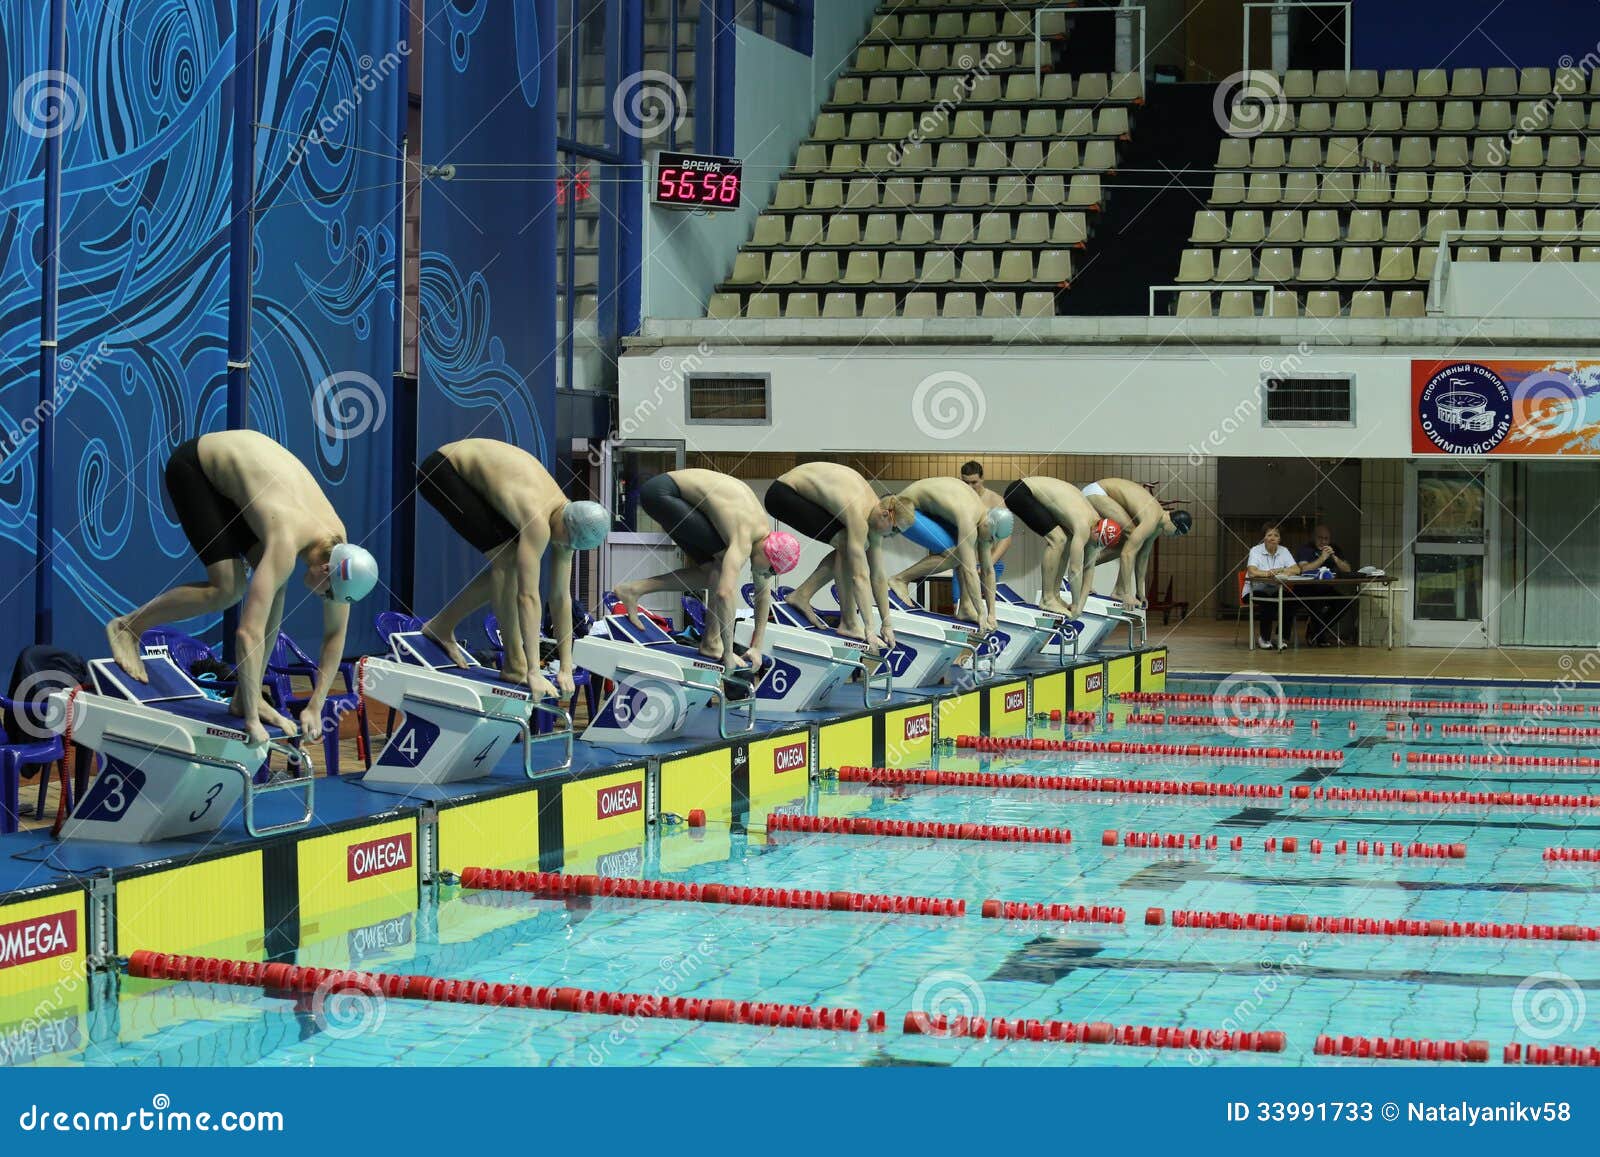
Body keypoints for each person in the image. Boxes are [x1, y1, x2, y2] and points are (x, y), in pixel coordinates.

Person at [106, 430, 380, 745]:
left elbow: (335, 636)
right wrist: (251, 720)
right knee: (228, 588)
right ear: (323, 569)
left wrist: (316, 706)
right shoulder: (287, 538)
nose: (324, 598)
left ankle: (243, 696)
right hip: (197, 468)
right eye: (327, 592)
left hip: (246, 482)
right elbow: (246, 633)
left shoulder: (338, 546)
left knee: (274, 586)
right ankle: (127, 626)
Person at [416, 438, 610, 701]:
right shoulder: (538, 519)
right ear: (565, 525)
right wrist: (533, 671)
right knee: (507, 562)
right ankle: (514, 665)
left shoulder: (567, 520)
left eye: (571, 546)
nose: (564, 547)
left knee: (507, 561)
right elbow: (527, 597)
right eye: (566, 541)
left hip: (473, 473)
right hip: (443, 470)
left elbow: (560, 598)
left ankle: (441, 626)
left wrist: (566, 665)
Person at [615, 469, 802, 674]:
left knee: (711, 572)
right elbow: (724, 593)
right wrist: (729, 654)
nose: (767, 575)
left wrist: (757, 647)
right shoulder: (744, 537)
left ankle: (633, 590)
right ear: (768, 554)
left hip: (667, 494)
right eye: (770, 570)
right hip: (662, 493)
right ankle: (713, 644)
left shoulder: (763, 539)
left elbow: (763, 594)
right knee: (721, 568)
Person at [764, 462, 915, 650]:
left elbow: (877, 576)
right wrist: (869, 628)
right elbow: (859, 576)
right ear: (885, 515)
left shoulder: (876, 514)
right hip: (783, 494)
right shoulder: (859, 514)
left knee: (852, 543)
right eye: (894, 531)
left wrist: (887, 624)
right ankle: (850, 623)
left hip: (802, 492)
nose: (892, 537)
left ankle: (801, 596)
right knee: (845, 542)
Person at [891, 475, 1014, 632]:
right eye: (990, 538)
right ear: (987, 524)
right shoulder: (969, 517)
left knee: (962, 551)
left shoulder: (984, 522)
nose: (990, 543)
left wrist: (992, 615)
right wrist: (982, 614)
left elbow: (988, 570)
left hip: (929, 511)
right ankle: (899, 579)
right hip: (904, 509)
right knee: (956, 555)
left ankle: (965, 607)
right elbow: (970, 570)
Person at [1002, 477, 1125, 617]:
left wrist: (1079, 606)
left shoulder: (1095, 528)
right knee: (1058, 539)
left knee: (1065, 541)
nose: (1095, 546)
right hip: (1020, 492)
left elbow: (1089, 568)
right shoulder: (1083, 526)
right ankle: (1047, 599)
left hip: (1028, 492)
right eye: (1097, 542)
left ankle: (1055, 595)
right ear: (1097, 531)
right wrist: (1076, 602)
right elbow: (1074, 570)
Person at [1079, 478, 1192, 610]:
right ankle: (1120, 591)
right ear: (1174, 523)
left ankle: (1084, 569)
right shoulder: (1152, 518)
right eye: (1177, 533)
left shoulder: (1157, 526)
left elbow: (1143, 557)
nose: (1174, 537)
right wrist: (1128, 594)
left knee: (1129, 542)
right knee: (1130, 537)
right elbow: (1127, 554)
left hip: (1101, 493)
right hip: (1097, 492)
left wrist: (1140, 592)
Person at [1246, 523, 1302, 650]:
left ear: (1279, 539)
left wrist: (1281, 570)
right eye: (1269, 535)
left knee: (1290, 601)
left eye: (1276, 535)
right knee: (1268, 602)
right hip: (1255, 590)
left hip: (1277, 589)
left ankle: (1281, 637)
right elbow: (1252, 572)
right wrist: (1267, 573)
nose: (1272, 538)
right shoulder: (1255, 550)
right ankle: (1264, 638)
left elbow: (1296, 569)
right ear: (1264, 538)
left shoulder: (1284, 551)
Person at [1295, 524, 1353, 646]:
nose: (1323, 541)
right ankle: (1320, 638)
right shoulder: (1306, 549)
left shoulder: (1334, 548)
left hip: (1326, 588)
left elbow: (1347, 569)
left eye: (1326, 538)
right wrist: (1322, 558)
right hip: (1306, 588)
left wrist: (1334, 558)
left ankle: (1314, 631)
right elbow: (1304, 569)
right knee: (1317, 603)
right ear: (1313, 537)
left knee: (1345, 602)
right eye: (1320, 538)